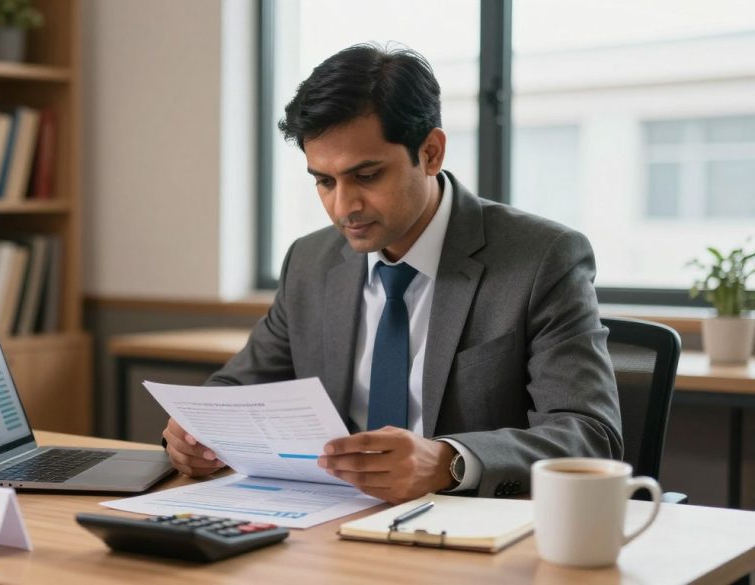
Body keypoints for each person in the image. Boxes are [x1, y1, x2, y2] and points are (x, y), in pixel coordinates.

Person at [161, 43, 622, 504]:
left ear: (431, 152)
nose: (344, 208)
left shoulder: (542, 257)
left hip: (468, 532)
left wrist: (448, 460)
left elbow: (588, 433)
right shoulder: (309, 261)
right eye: (324, 181)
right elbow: (237, 389)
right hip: (329, 524)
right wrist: (196, 436)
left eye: (366, 176)